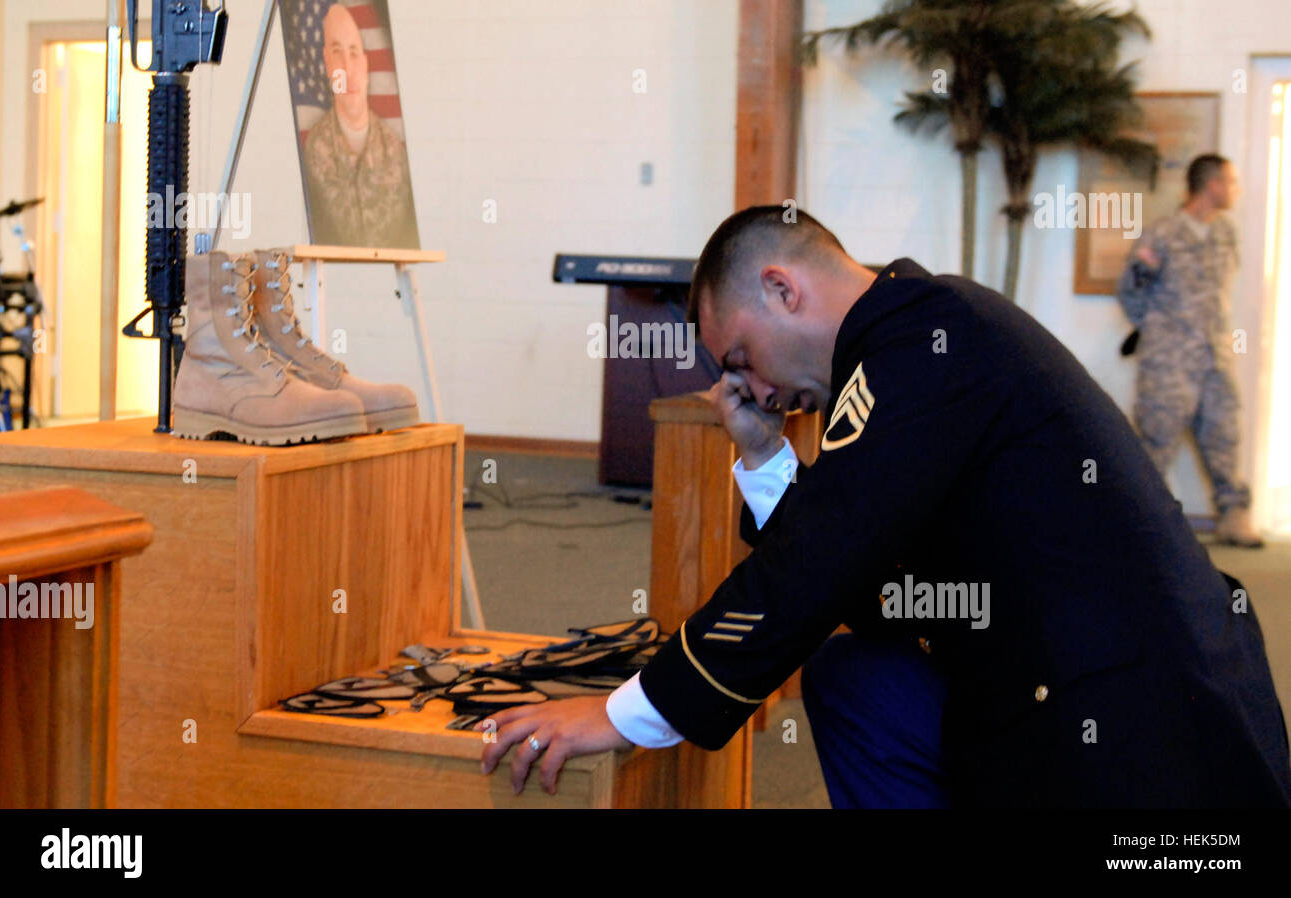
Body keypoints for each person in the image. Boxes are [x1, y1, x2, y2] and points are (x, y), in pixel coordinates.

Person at [479, 205, 1291, 808]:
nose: (754, 389)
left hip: (1151, 749)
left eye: (742, 357)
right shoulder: (908, 339)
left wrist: (627, 714)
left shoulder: (927, 340)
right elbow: (870, 582)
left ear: (782, 288)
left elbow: (814, 566)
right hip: (1058, 685)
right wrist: (765, 456)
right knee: (855, 675)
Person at [1117, 154, 1262, 547]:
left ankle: (1234, 516)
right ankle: (1136, 523)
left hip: (1215, 356)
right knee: (1156, 439)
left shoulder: (1225, 233)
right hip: (1170, 361)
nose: (1235, 190)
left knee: (1225, 435)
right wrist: (1161, 332)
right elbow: (1130, 289)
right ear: (1211, 184)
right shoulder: (1161, 235)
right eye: (1231, 182)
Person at [301, 2, 418, 249]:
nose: (347, 68)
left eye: (354, 53)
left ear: (365, 66)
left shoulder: (393, 149)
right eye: (337, 52)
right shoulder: (317, 146)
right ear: (327, 65)